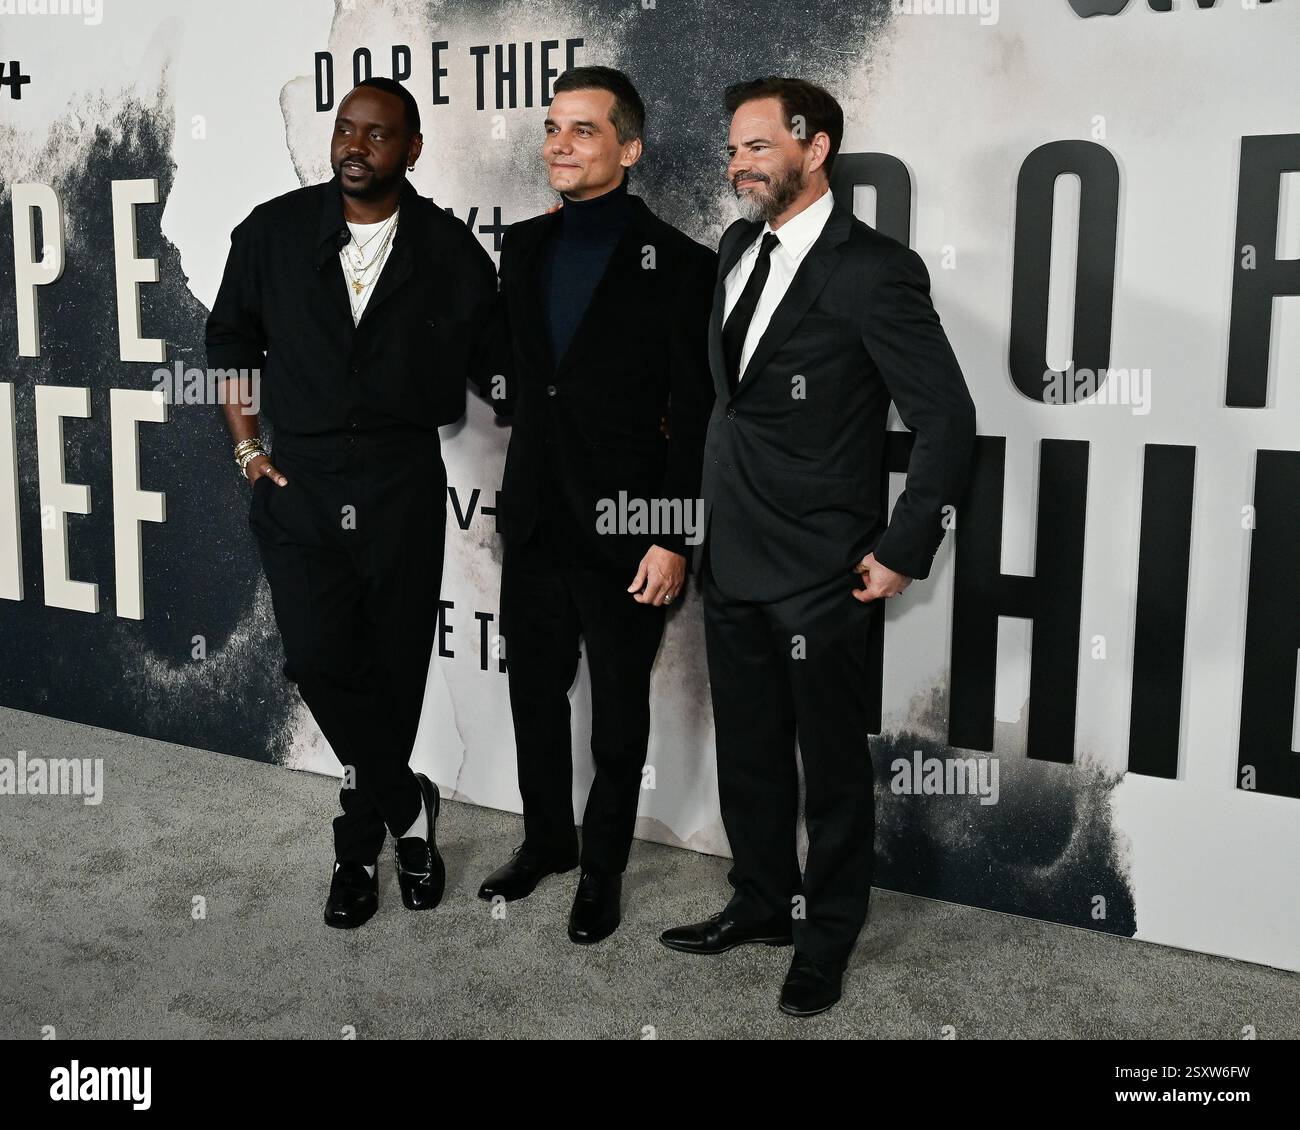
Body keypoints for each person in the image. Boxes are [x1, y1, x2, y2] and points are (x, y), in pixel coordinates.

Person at [659, 77, 976, 1015]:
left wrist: (903, 546)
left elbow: (947, 418)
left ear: (816, 145)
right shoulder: (732, 248)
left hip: (827, 572)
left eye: (757, 147)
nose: (737, 165)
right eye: (732, 149)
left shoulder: (874, 270)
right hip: (736, 559)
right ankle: (760, 901)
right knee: (751, 753)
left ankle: (826, 937)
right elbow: (734, 406)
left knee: (831, 771)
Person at [206, 77, 496, 929]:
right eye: (346, 128)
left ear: (411, 149)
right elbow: (229, 338)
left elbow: (504, 360)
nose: (355, 146)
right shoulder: (273, 231)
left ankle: (357, 844)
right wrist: (246, 444)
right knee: (321, 658)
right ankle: (410, 809)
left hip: (403, 483)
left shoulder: (448, 250)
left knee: (395, 668)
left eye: (378, 134)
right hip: (300, 482)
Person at [475, 66, 715, 944]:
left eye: (582, 130)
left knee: (617, 714)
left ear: (630, 147)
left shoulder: (683, 266)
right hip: (535, 516)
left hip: (628, 532)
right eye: (552, 129)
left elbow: (693, 418)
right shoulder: (523, 248)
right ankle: (548, 840)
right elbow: (517, 368)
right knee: (535, 694)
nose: (559, 146)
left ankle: (603, 867)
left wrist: (673, 536)